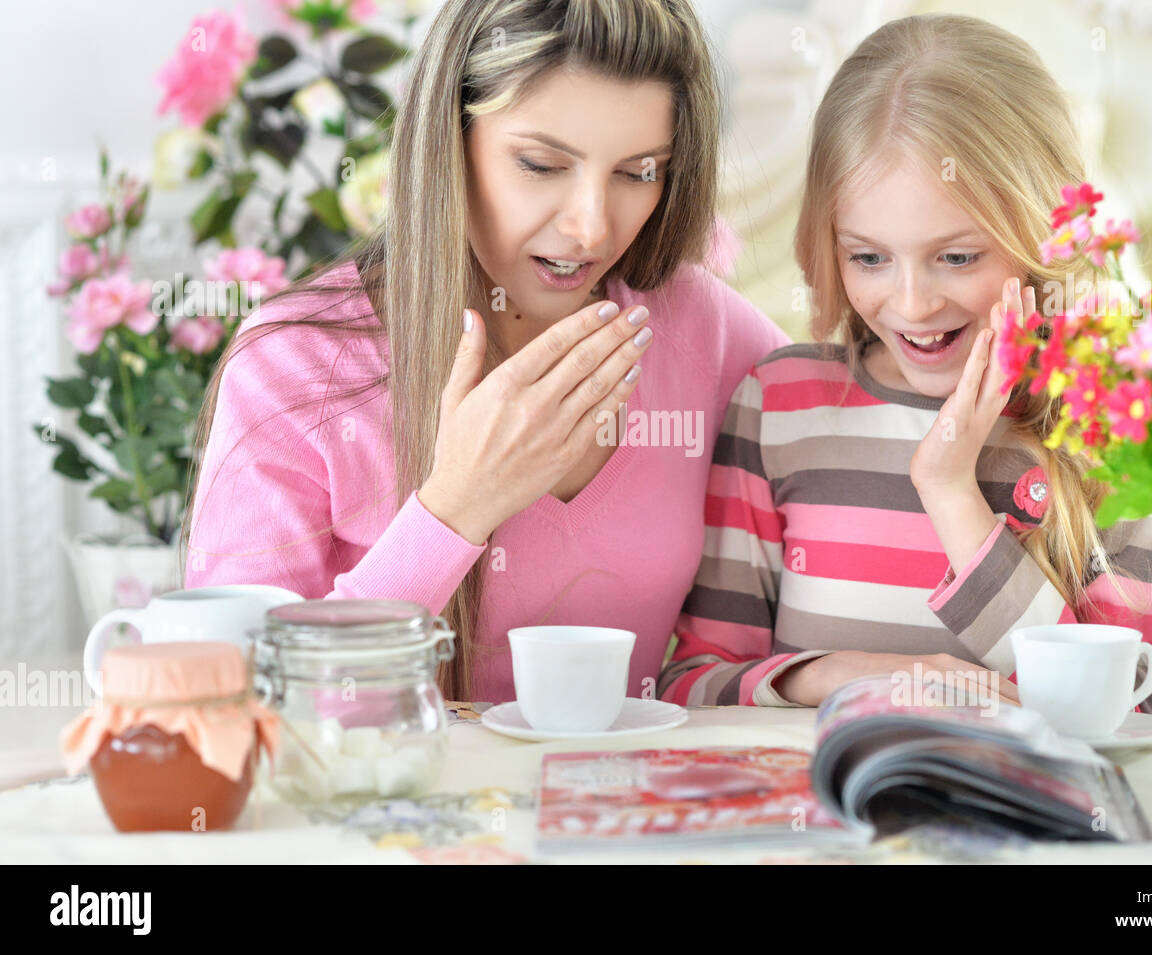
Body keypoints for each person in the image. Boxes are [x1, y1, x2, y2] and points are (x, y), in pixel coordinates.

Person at [182, 0, 790, 702]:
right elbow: (235, 707)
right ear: (450, 141)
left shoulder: (696, 327)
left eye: (638, 171)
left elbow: (856, 435)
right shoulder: (292, 366)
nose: (591, 225)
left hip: (624, 805)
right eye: (540, 163)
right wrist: (455, 508)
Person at [659, 13, 1152, 714]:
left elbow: (1114, 710)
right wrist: (836, 674)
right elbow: (693, 681)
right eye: (869, 257)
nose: (913, 303)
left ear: (1041, 235)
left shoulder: (1122, 426)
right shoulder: (778, 405)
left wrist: (950, 488)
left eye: (957, 257)